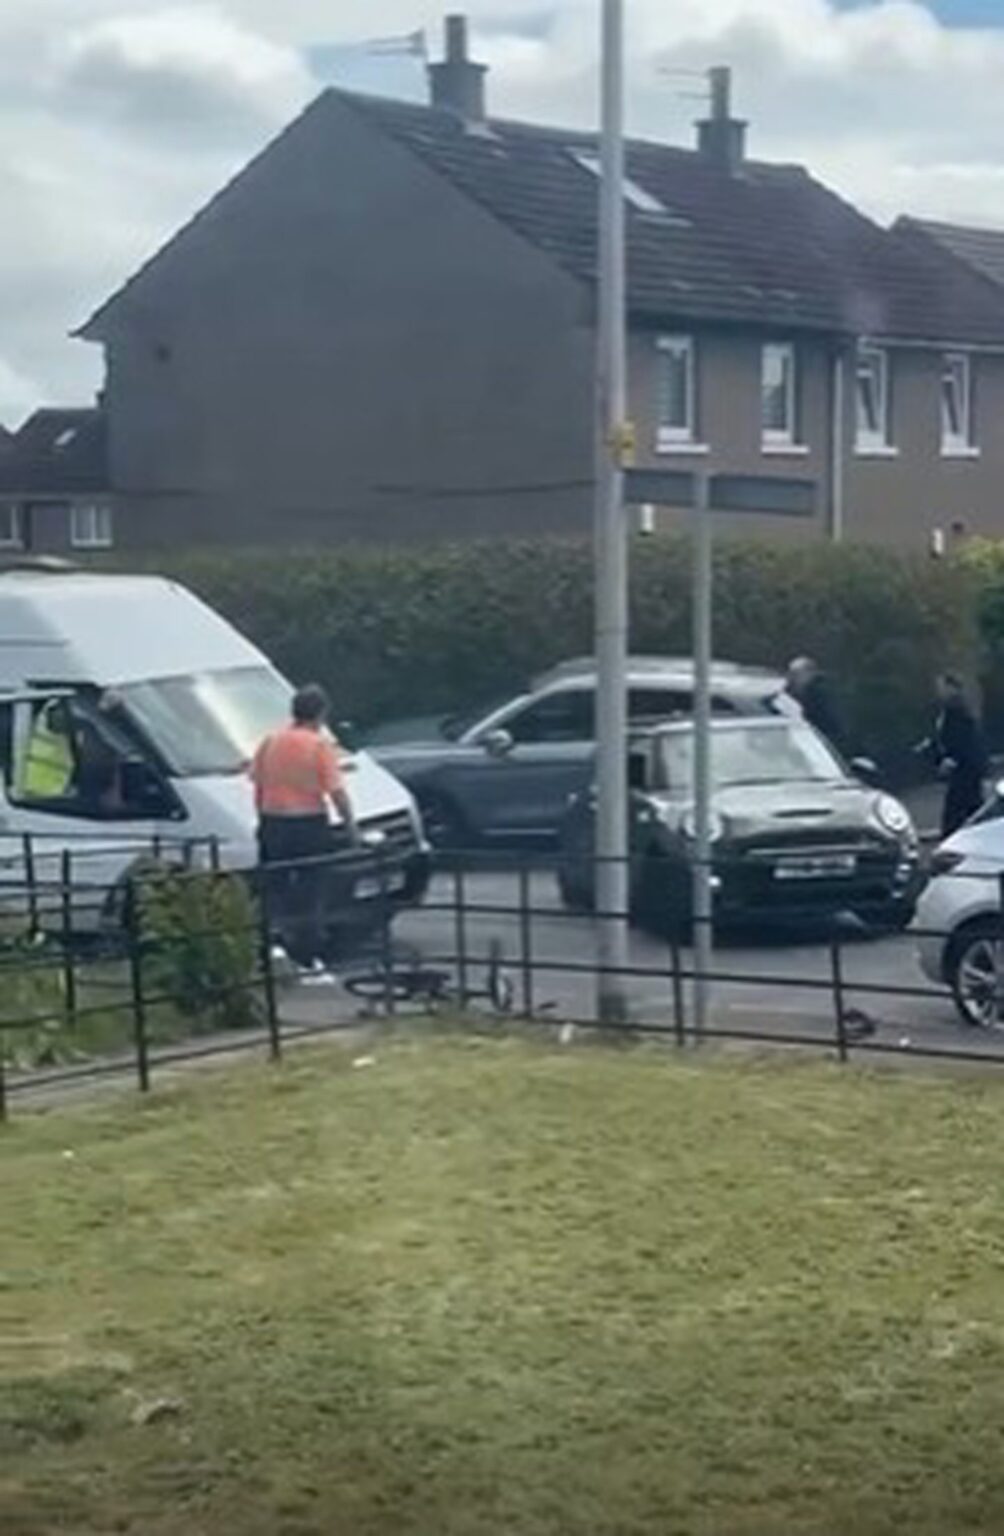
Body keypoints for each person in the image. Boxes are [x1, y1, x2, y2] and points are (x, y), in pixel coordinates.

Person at [251, 684, 359, 969]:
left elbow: (259, 785)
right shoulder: (319, 745)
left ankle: (271, 946)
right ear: (322, 714)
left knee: (274, 888)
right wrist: (351, 827)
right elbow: (336, 791)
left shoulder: (271, 741)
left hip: (273, 821)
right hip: (308, 823)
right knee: (311, 890)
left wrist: (262, 818)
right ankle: (307, 954)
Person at [930, 673, 988, 839]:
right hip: (966, 768)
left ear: (952, 688)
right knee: (972, 806)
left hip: (965, 768)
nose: (939, 691)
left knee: (956, 809)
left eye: (942, 686)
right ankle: (975, 834)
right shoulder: (951, 709)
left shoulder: (958, 710)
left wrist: (952, 759)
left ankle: (952, 840)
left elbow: (962, 738)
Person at [785, 656, 846, 754]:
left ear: (809, 673)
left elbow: (832, 722)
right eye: (791, 674)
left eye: (796, 674)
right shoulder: (787, 694)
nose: (792, 678)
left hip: (821, 743)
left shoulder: (823, 696)